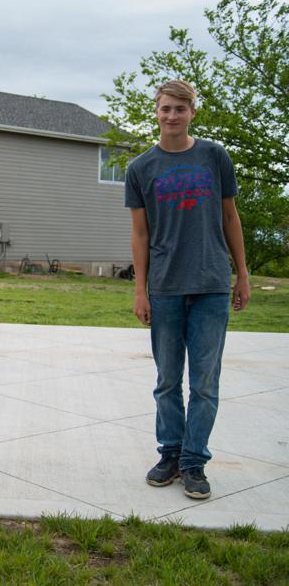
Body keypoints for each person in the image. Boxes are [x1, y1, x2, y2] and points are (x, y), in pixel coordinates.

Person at [125, 80, 250, 500]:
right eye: (165, 109)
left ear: (192, 111)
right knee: (165, 380)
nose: (172, 116)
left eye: (180, 108)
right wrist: (140, 290)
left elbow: (230, 217)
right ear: (156, 112)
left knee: (205, 383)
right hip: (165, 287)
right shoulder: (141, 168)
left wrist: (243, 274)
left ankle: (195, 462)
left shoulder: (214, 157)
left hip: (212, 285)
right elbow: (140, 234)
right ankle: (171, 453)